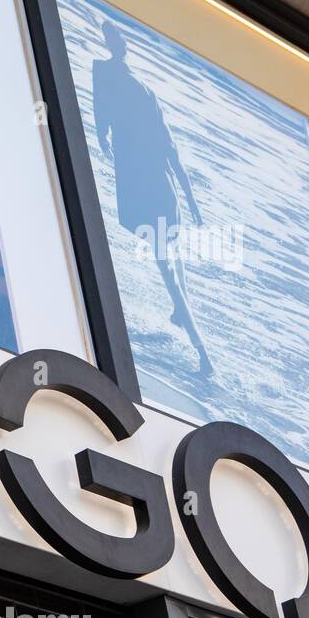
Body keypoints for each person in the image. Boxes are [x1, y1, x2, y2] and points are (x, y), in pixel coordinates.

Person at [93, 20, 212, 376]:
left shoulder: (123, 84)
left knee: (170, 264)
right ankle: (201, 350)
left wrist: (192, 202)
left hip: (149, 186)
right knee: (170, 264)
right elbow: (167, 146)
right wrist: (191, 203)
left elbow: (108, 133)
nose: (123, 43)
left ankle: (195, 338)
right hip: (152, 185)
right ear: (113, 42)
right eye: (117, 38)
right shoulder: (124, 84)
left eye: (122, 37)